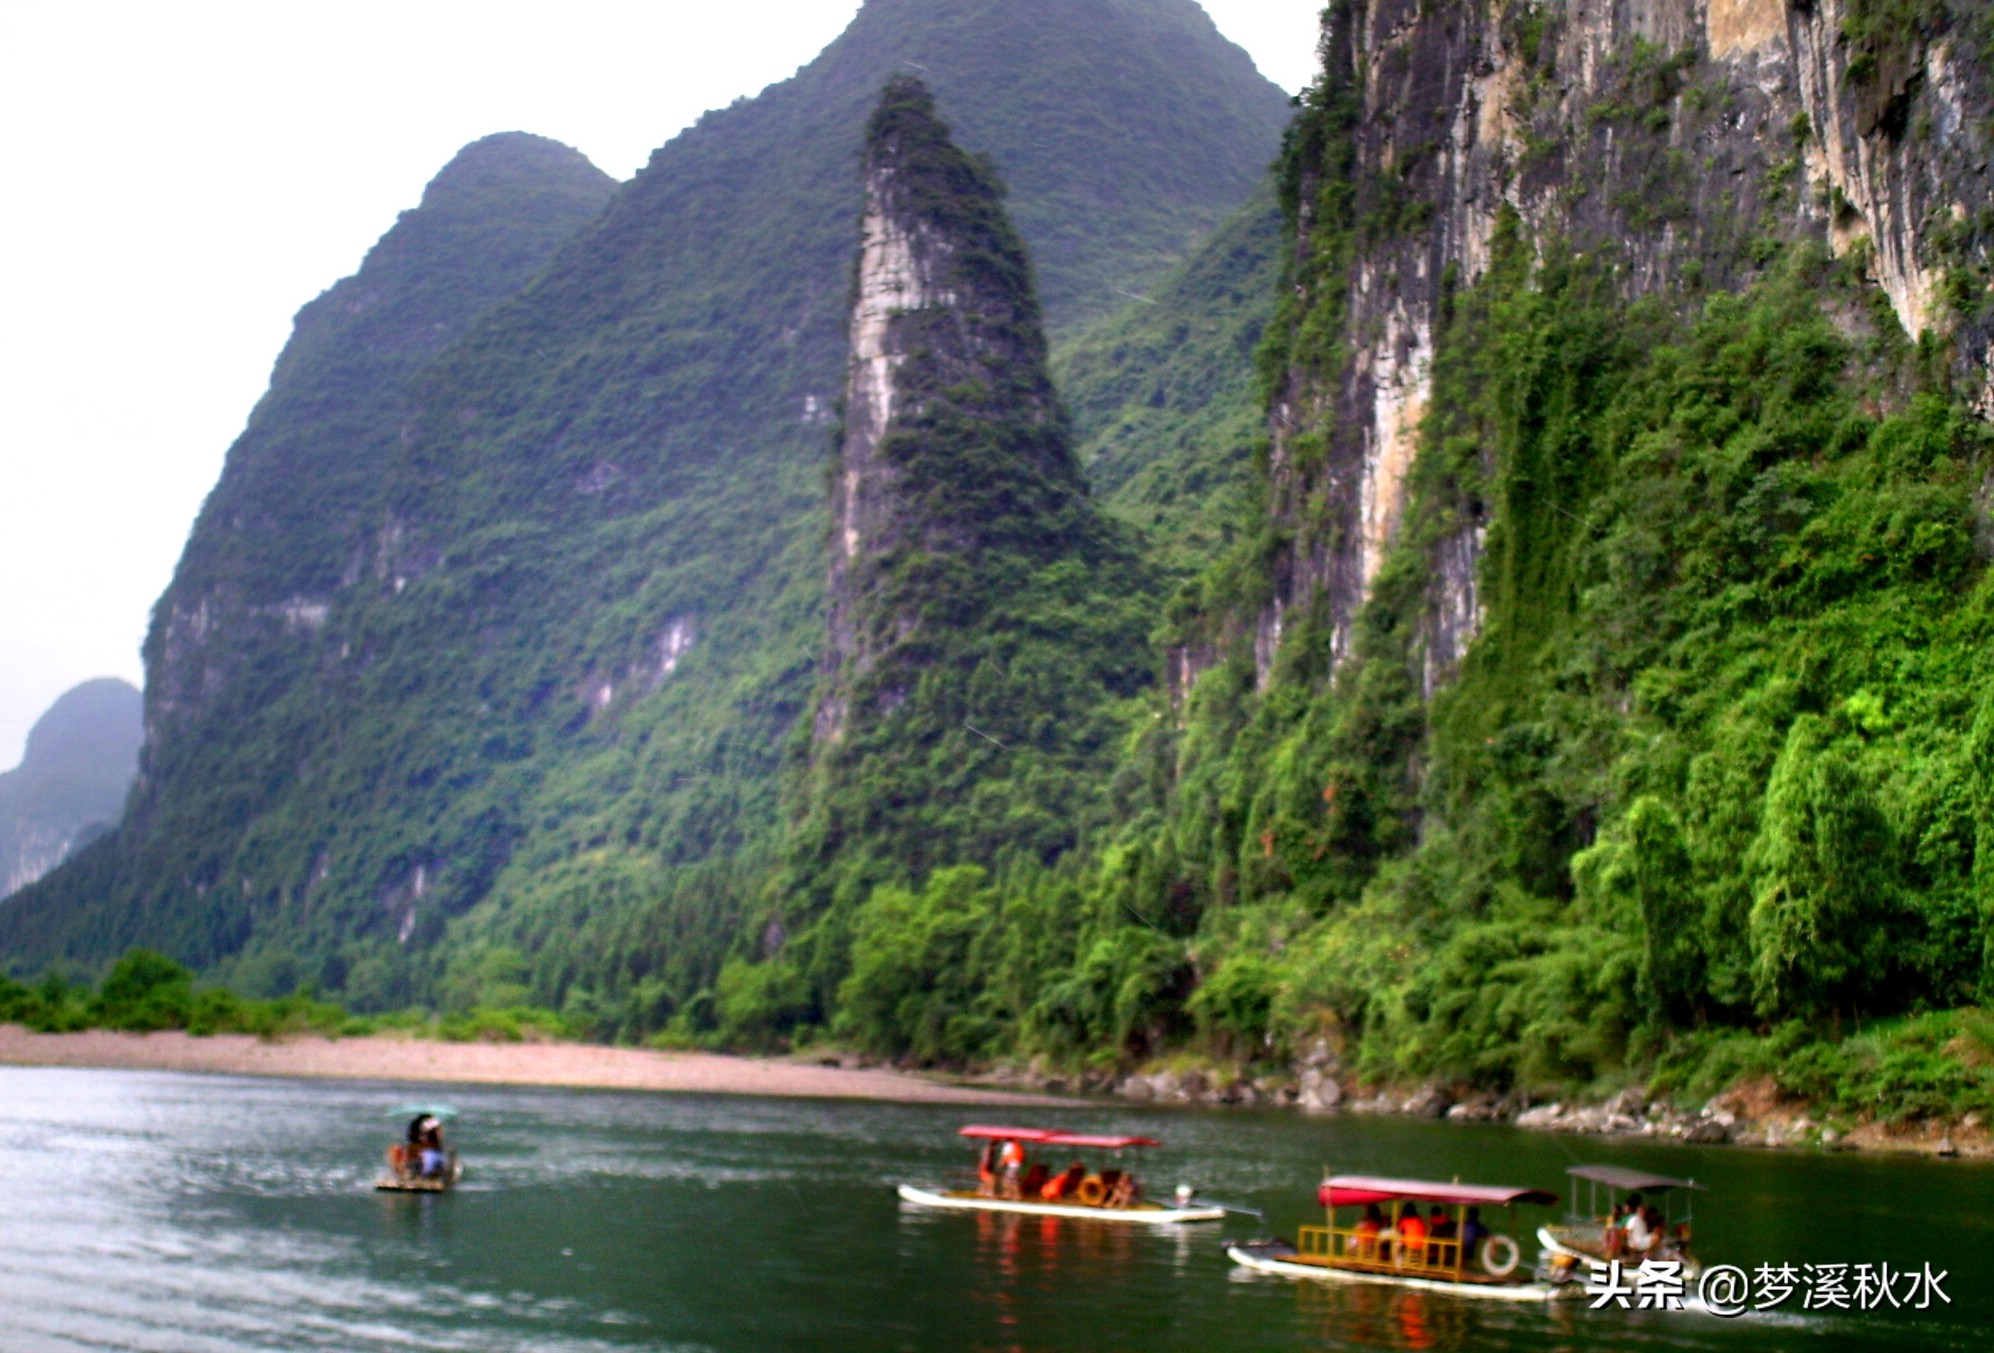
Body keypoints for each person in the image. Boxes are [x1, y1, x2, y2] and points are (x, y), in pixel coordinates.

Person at [1396, 1203, 1428, 1267]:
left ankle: (1397, 1266)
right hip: (1419, 1248)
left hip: (1408, 1248)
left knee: (1396, 1244)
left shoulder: (1404, 1221)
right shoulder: (1419, 1220)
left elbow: (1399, 1233)